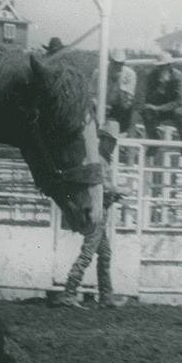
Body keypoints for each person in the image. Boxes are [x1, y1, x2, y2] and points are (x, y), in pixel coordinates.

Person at [59, 127, 123, 309]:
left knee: (104, 254)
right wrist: (118, 191)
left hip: (100, 211)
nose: (112, 145)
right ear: (102, 140)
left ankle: (105, 297)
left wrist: (113, 193)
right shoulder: (100, 161)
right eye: (110, 141)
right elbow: (102, 186)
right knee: (88, 253)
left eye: (113, 141)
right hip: (97, 212)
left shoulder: (102, 160)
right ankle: (69, 294)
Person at [140, 52, 182, 140]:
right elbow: (148, 99)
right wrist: (160, 88)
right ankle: (154, 142)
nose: (161, 68)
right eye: (159, 66)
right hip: (160, 108)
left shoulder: (178, 76)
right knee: (145, 112)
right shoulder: (151, 76)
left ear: (170, 65)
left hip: (179, 108)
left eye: (163, 65)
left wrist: (158, 108)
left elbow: (180, 101)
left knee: (179, 113)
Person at [105, 50, 137, 135]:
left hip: (120, 105)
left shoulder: (130, 74)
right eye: (116, 63)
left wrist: (118, 81)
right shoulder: (100, 71)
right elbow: (93, 94)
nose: (118, 66)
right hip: (103, 104)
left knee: (125, 107)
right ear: (111, 61)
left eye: (121, 63)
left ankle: (123, 135)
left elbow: (127, 97)